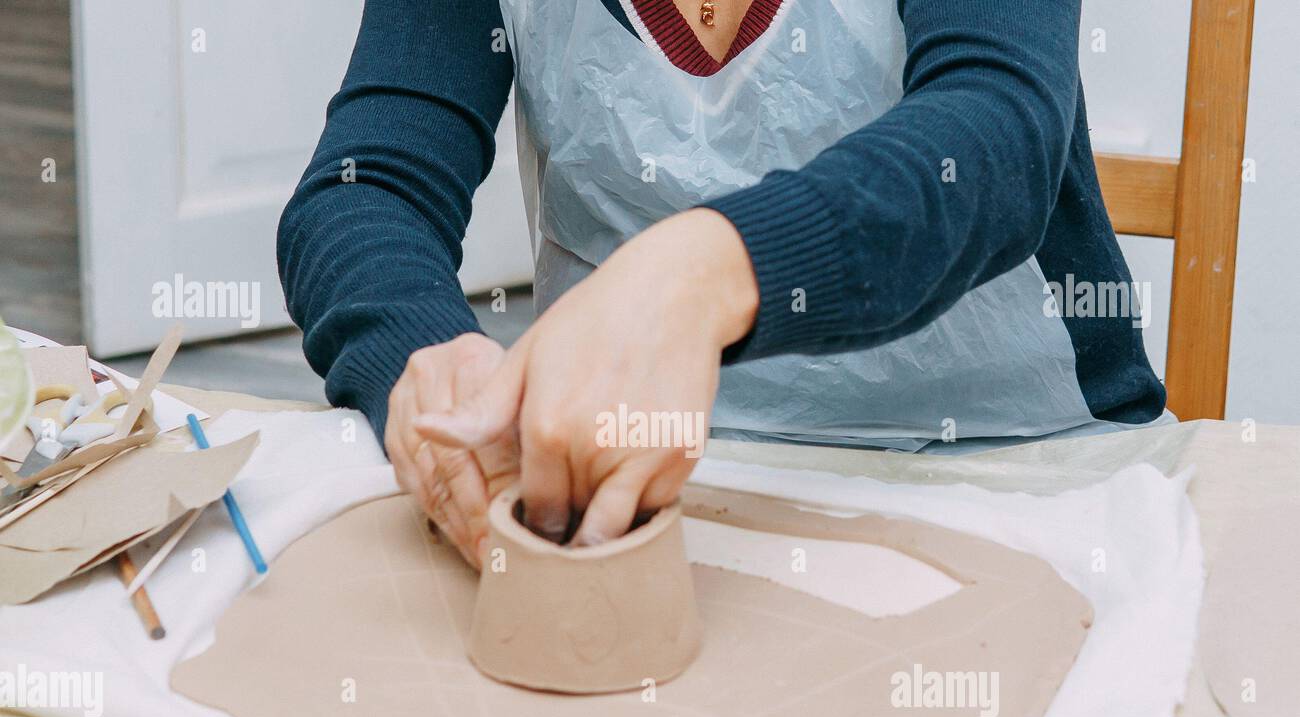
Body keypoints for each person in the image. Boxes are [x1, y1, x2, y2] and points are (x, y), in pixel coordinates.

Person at [278, 0, 1164, 568]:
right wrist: (429, 362)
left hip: (1023, 471)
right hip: (646, 491)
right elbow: (366, 190)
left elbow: (992, 140)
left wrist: (702, 273)